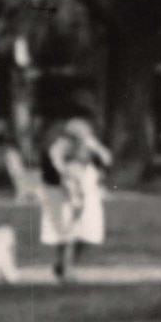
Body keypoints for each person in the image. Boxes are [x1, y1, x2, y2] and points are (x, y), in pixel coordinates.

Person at [40, 113, 113, 282]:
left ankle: (64, 264)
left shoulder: (88, 142)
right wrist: (68, 179)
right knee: (67, 230)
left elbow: (106, 157)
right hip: (62, 189)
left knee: (88, 231)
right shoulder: (60, 146)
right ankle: (67, 268)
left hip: (84, 186)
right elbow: (56, 163)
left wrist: (100, 165)